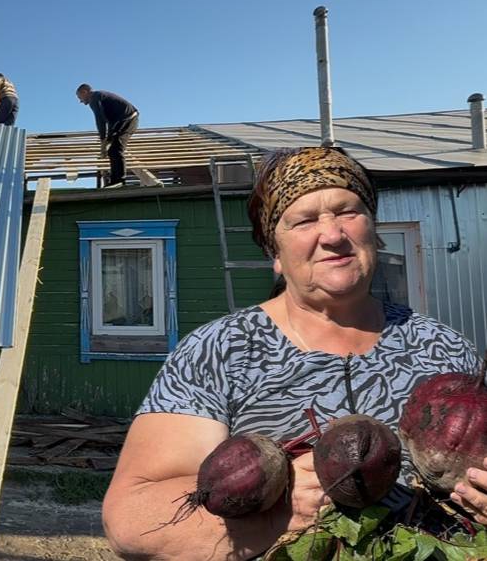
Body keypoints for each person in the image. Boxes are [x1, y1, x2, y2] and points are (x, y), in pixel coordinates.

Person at [101, 146, 486, 560]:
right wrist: (279, 513)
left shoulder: (445, 349)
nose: (333, 235)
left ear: (373, 230)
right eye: (304, 220)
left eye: (348, 212)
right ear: (275, 254)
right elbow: (130, 521)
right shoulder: (219, 351)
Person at [76, 83, 138, 188]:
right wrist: (108, 138)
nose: (81, 101)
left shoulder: (94, 98)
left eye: (80, 97)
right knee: (112, 150)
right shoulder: (100, 97)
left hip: (127, 120)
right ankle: (115, 180)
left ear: (84, 92)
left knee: (116, 150)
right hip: (122, 121)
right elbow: (109, 121)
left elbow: (100, 119)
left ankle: (119, 181)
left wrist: (103, 139)